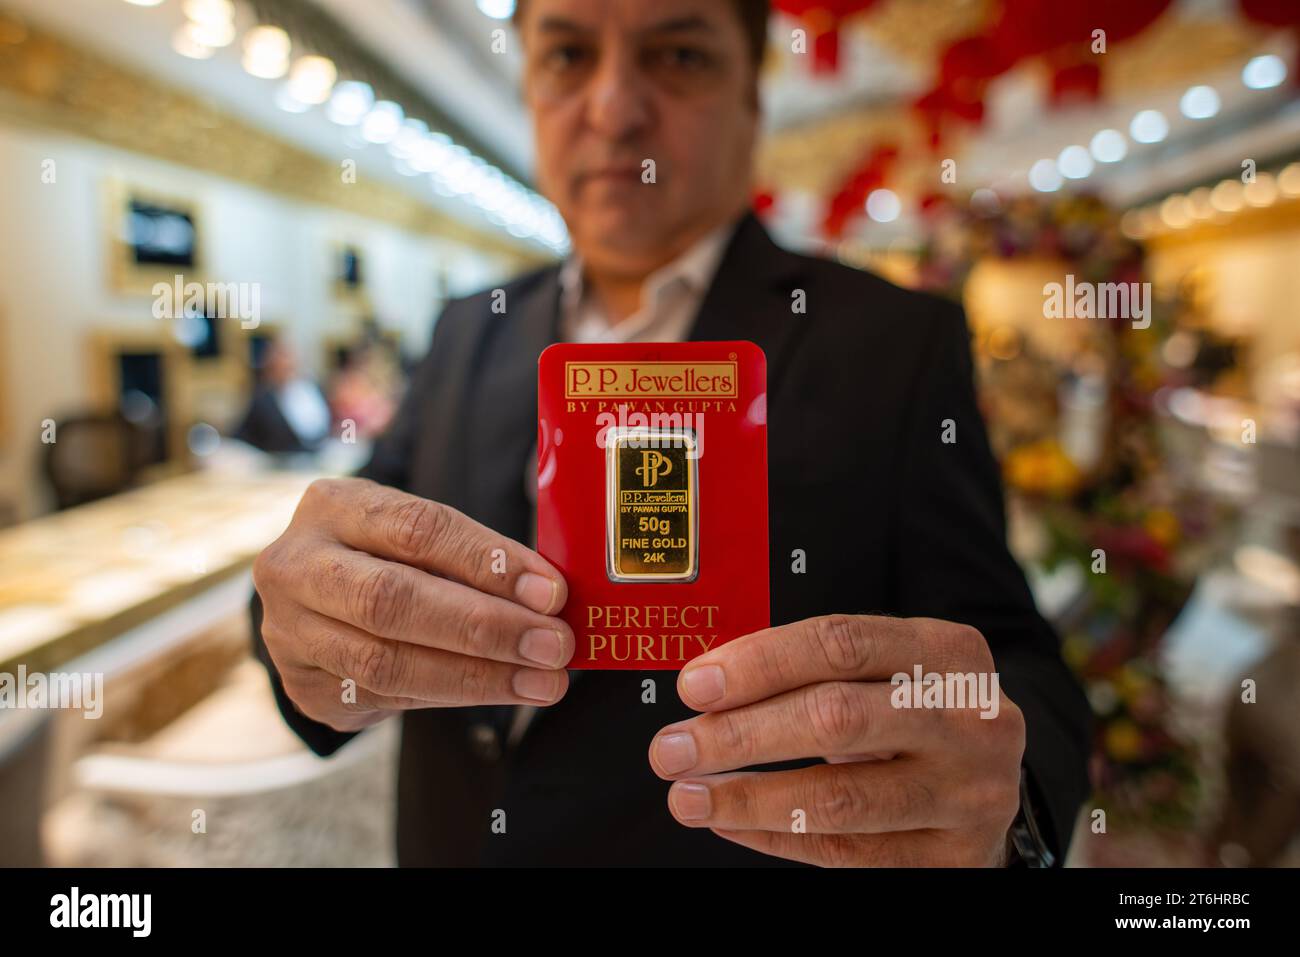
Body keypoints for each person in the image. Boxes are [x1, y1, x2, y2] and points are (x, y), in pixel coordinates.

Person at [250, 0, 1092, 866]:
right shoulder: (470, 327)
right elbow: (344, 563)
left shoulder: (892, 343)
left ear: (751, 98)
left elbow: (1017, 663)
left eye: (680, 56)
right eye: (569, 54)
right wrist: (300, 631)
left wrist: (1002, 801)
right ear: (531, 83)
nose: (614, 108)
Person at [234, 338, 331, 454]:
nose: (285, 364)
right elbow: (242, 436)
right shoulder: (262, 399)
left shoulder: (314, 388)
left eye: (288, 358)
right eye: (280, 359)